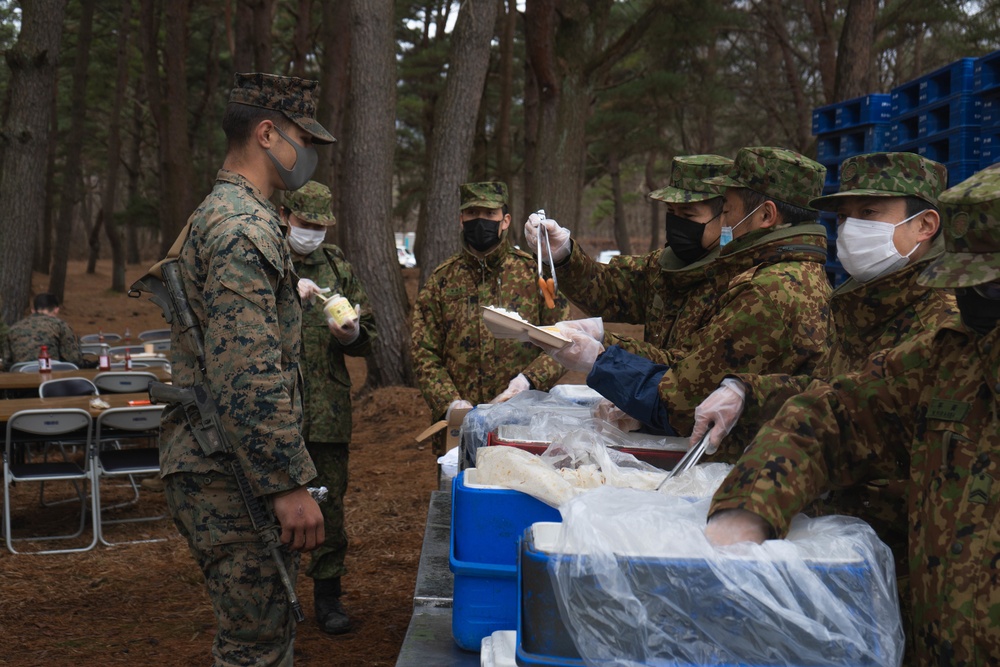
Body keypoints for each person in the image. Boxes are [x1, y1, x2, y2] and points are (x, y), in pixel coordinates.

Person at [704, 167, 1000, 665]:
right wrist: (749, 510)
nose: (973, 304)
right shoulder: (955, 354)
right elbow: (834, 415)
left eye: (989, 288)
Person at [157, 72, 329, 666]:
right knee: (255, 647)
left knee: (260, 637)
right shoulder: (241, 227)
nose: (310, 155)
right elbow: (247, 374)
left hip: (227, 463)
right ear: (265, 133)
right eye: (303, 139)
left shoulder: (231, 212)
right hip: (233, 474)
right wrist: (286, 484)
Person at [529, 147, 833, 453]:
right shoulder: (671, 265)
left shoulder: (759, 287)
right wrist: (564, 254)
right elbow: (610, 288)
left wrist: (602, 354)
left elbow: (684, 390)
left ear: (764, 215)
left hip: (735, 458)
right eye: (671, 213)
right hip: (693, 439)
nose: (676, 224)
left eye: (690, 214)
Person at [411, 181, 570, 455]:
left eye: (489, 215)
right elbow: (422, 350)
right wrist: (449, 402)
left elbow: (562, 338)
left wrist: (528, 381)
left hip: (524, 421)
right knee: (460, 493)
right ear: (462, 219)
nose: (480, 222)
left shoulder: (534, 273)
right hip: (458, 426)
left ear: (505, 220)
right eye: (472, 214)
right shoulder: (442, 279)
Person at [282, 180, 376, 635]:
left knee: (328, 505)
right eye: (305, 223)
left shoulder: (335, 265)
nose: (313, 233)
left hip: (325, 410)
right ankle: (273, 594)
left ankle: (327, 596)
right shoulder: (262, 258)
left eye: (320, 226)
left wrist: (352, 335)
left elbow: (368, 334)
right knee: (266, 504)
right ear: (286, 216)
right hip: (271, 411)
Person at [2, 292, 84, 368]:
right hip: (53, 378)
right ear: (56, 310)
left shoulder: (14, 328)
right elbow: (74, 359)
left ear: (33, 310)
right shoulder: (60, 326)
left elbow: (6, 361)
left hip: (20, 378)